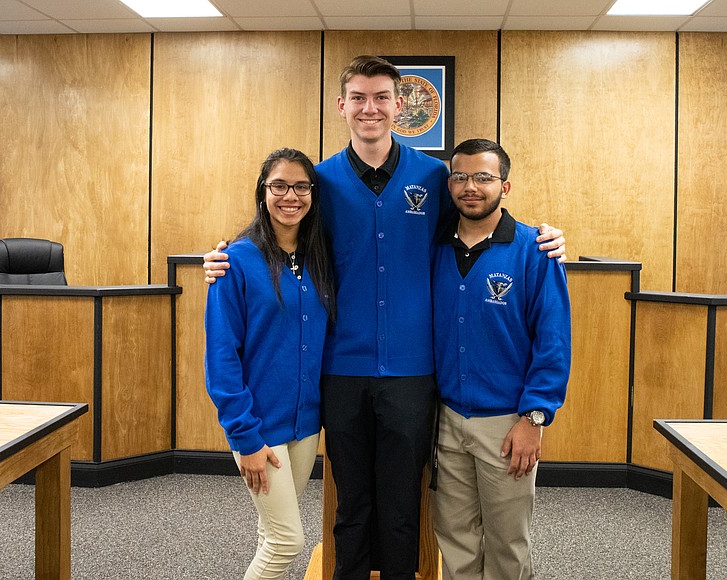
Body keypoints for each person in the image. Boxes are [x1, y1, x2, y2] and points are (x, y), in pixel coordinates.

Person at [203, 56, 567, 579]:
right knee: (352, 503)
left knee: (403, 505)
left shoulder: (435, 178)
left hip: (412, 373)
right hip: (341, 371)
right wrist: (224, 254)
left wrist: (544, 237)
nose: (370, 108)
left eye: (381, 98)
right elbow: (280, 236)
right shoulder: (320, 182)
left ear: (400, 106)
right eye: (359, 98)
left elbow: (478, 225)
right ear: (342, 106)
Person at [431, 138, 571, 579]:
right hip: (446, 418)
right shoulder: (431, 246)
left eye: (483, 177)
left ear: (505, 187)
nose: (470, 186)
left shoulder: (535, 250)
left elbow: (553, 342)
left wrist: (535, 419)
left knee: (508, 544)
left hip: (508, 424)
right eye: (460, 176)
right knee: (455, 540)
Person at [204, 148, 336, 580]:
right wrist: (244, 438)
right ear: (262, 193)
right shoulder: (235, 261)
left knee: (271, 531)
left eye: (300, 186)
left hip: (303, 426)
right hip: (258, 427)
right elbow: (221, 358)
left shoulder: (320, 258)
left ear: (312, 194)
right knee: (287, 542)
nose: (290, 196)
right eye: (278, 186)